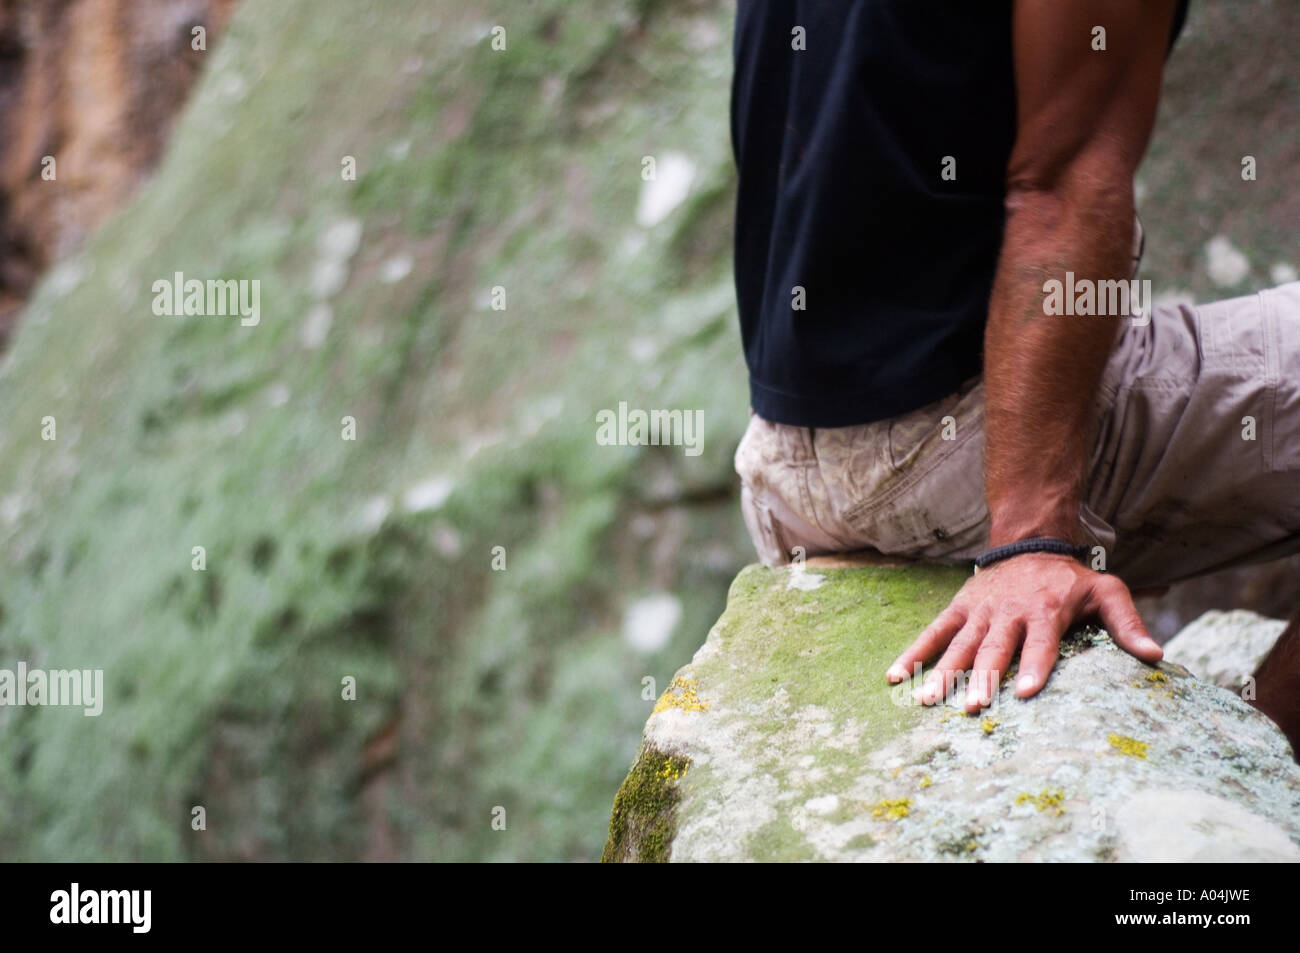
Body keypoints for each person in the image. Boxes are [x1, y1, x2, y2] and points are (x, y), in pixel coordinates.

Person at [729, 0, 1300, 751]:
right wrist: (1030, 542)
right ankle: (1263, 784)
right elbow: (1062, 184)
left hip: (783, 467)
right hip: (949, 456)